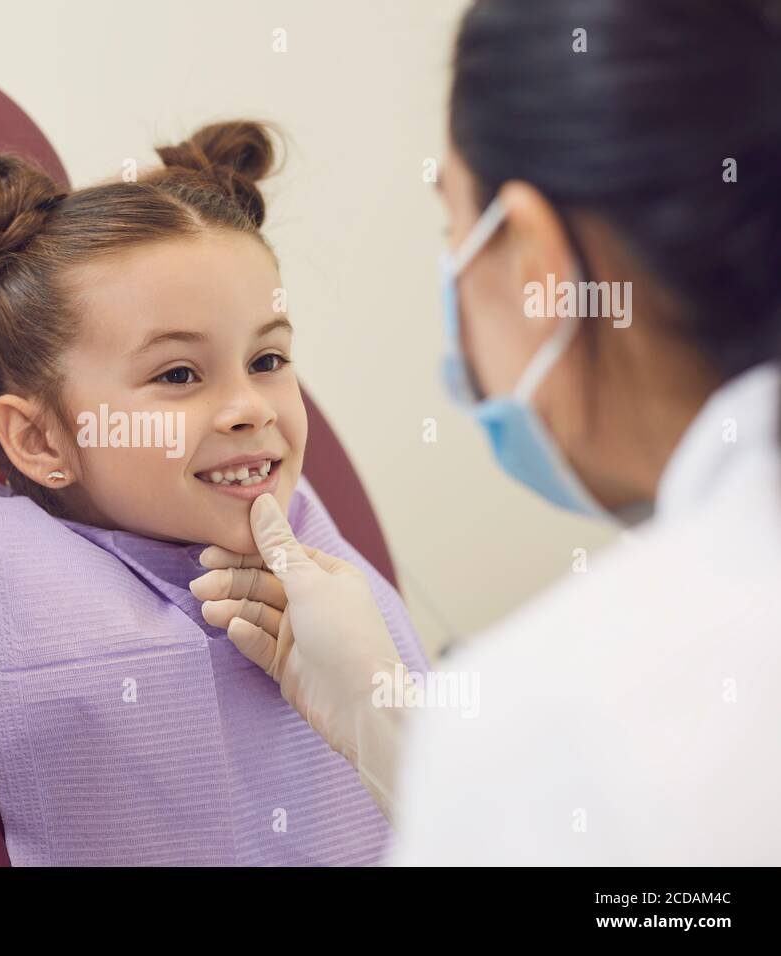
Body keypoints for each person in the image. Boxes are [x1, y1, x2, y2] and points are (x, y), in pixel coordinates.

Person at [193, 0, 781, 864]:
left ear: (535, 264)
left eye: (453, 226)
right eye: (178, 375)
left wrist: (444, 755)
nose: (245, 408)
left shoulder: (560, 717)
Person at [0, 121, 426, 864]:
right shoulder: (86, 658)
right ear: (41, 441)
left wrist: (380, 712)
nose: (251, 407)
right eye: (177, 375)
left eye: (267, 358)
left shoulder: (313, 559)